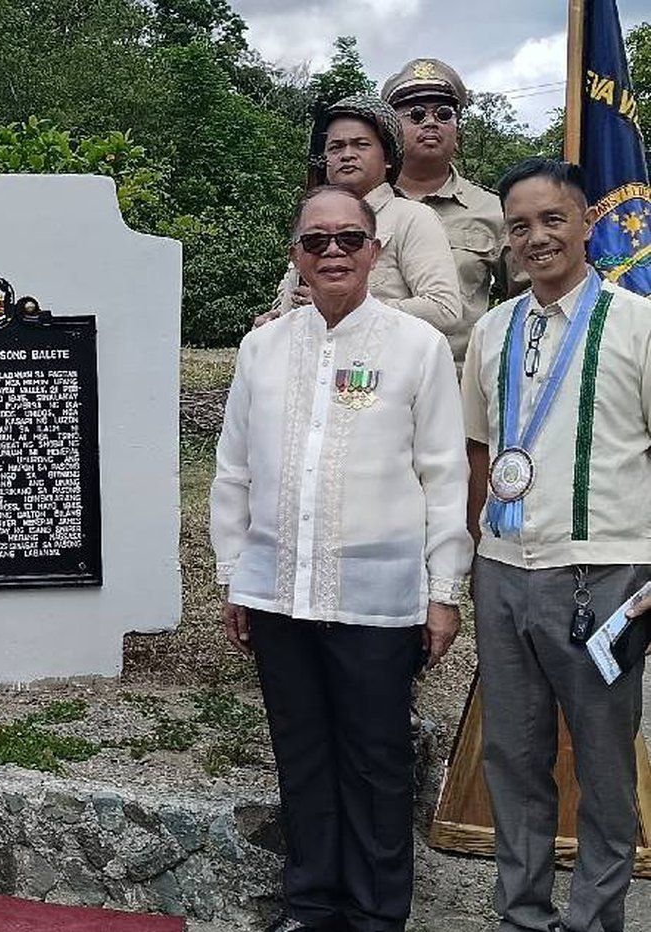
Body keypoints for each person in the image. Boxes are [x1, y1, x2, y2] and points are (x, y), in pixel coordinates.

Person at [213, 185, 470, 932]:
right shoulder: (262, 347)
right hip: (277, 592)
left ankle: (375, 914)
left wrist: (444, 590)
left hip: (377, 597)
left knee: (376, 762)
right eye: (316, 240)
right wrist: (235, 574)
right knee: (301, 755)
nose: (333, 253)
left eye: (349, 239)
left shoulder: (414, 346)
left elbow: (444, 474)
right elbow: (233, 469)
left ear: (374, 252)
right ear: (295, 252)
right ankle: (311, 904)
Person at [462, 158, 651, 932]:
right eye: (519, 225)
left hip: (604, 575)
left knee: (605, 768)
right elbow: (479, 449)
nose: (536, 237)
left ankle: (595, 920)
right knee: (514, 757)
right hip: (505, 571)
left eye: (552, 220)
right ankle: (522, 916)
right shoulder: (493, 327)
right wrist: (470, 553)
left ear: (585, 224)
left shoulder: (638, 323)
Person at [262, 95, 461, 339]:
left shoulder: (410, 217)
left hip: (379, 368)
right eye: (336, 147)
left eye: (360, 144)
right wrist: (272, 323)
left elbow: (445, 310)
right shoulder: (311, 218)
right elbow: (289, 301)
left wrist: (348, 309)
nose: (347, 155)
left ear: (387, 158)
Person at [382, 59, 525, 368]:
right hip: (367, 381)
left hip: (458, 384)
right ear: (391, 129)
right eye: (417, 114)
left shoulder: (493, 210)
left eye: (444, 114)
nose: (431, 122)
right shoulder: (360, 207)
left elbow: (529, 298)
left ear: (457, 131)